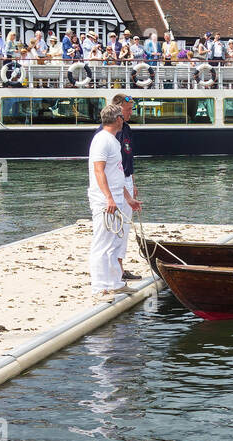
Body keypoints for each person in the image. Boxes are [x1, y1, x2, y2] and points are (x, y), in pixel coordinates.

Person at [89, 104, 139, 295]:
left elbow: (117, 174)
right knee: (102, 243)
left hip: (117, 197)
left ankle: (115, 283)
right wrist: (108, 198)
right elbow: (98, 170)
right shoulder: (101, 140)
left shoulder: (113, 140)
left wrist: (128, 199)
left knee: (114, 243)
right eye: (122, 117)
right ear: (118, 119)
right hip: (105, 201)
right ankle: (99, 286)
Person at [111, 93, 142, 281]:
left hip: (127, 178)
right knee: (118, 226)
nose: (131, 113)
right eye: (128, 110)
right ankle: (116, 268)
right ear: (118, 110)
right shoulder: (112, 133)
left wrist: (133, 183)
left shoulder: (127, 129)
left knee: (126, 226)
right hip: (118, 181)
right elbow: (115, 165)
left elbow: (129, 158)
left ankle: (120, 266)